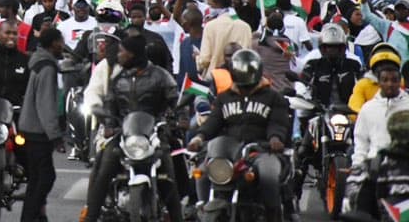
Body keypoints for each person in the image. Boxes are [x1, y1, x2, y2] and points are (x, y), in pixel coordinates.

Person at [82, 35, 183, 222]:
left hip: (153, 134)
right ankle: (91, 216)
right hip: (124, 134)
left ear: (133, 54)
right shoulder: (118, 79)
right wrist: (109, 124)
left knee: (168, 175)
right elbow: (110, 105)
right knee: (104, 166)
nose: (118, 55)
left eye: (122, 52)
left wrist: (175, 120)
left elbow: (175, 101)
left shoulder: (161, 76)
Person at [187, 49, 291, 221]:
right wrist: (199, 137)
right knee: (202, 172)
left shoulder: (273, 97)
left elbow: (278, 122)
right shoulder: (224, 97)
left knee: (268, 175)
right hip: (229, 152)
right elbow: (213, 121)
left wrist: (275, 138)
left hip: (261, 150)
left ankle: (273, 215)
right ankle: (203, 206)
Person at [19, 28, 67, 222]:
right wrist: (55, 136)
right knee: (45, 178)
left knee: (36, 179)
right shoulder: (47, 68)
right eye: (60, 42)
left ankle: (35, 215)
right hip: (38, 131)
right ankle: (30, 216)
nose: (62, 45)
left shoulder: (39, 62)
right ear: (53, 43)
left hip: (30, 128)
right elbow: (46, 104)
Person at [351, 59, 409, 168]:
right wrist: (357, 166)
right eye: (385, 80)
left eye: (394, 80)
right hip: (374, 166)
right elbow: (361, 143)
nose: (390, 84)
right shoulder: (368, 108)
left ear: (400, 82)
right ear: (379, 82)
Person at [198, 0, 252, 78]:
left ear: (217, 4)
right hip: (240, 77)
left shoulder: (210, 26)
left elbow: (205, 60)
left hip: (216, 78)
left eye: (210, 5)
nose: (209, 8)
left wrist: (197, 58)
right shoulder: (245, 27)